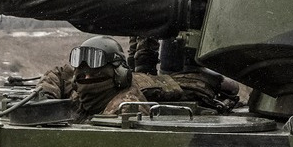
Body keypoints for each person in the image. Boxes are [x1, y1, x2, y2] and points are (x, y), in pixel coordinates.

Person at [34, 36, 237, 120]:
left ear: (118, 75)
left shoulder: (126, 108)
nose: (85, 77)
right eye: (82, 72)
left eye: (94, 73)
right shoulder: (82, 84)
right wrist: (45, 96)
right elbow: (60, 73)